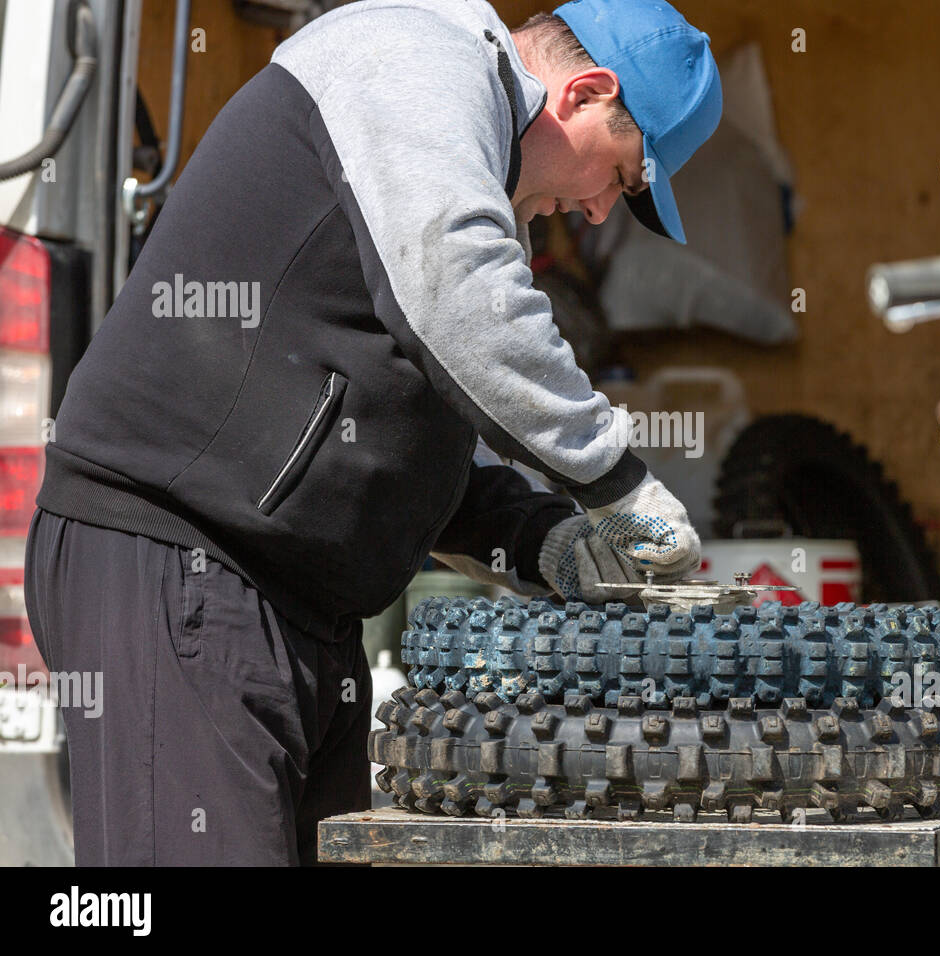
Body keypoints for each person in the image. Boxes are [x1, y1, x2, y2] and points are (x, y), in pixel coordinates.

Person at [24, 0, 721, 865]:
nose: (597, 213)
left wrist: (543, 540)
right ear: (584, 93)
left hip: (295, 606)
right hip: (183, 563)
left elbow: (399, 433)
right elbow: (458, 295)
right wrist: (616, 485)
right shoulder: (419, 57)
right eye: (620, 178)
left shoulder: (450, 154)